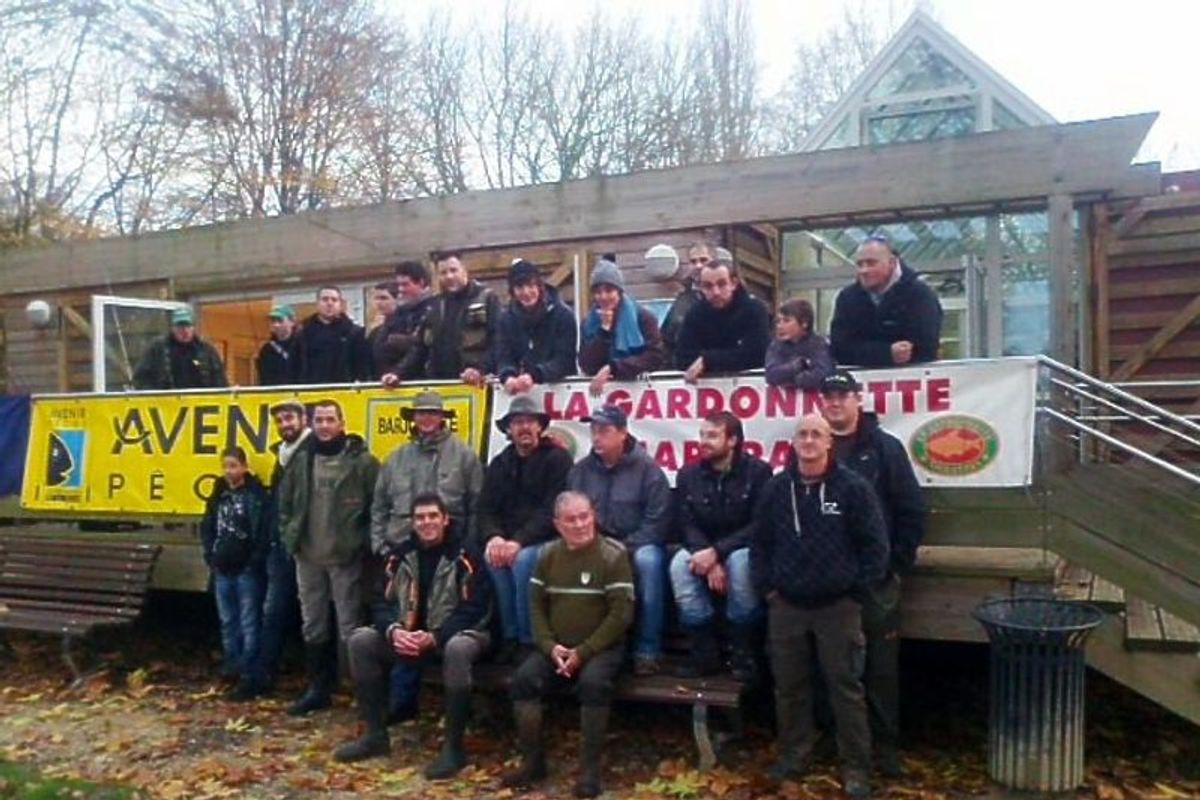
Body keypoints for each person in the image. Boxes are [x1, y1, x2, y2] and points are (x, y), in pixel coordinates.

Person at [752, 414, 889, 799]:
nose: (809, 440)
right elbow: (759, 545)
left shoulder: (853, 488)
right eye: (802, 434)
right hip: (786, 606)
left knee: (845, 688)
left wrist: (854, 592)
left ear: (830, 442)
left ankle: (857, 768)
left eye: (817, 434)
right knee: (789, 688)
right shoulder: (776, 489)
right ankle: (794, 757)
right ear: (792, 443)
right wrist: (769, 590)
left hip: (838, 607)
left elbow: (875, 547)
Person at [333, 493, 494, 780]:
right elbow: (378, 601)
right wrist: (393, 631)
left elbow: (476, 607)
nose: (427, 522)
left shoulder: (466, 555)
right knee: (360, 641)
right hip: (409, 636)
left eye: (433, 516)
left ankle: (453, 749)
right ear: (412, 522)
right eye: (420, 517)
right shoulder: (399, 555)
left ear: (445, 519)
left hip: (461, 635)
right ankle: (375, 735)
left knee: (457, 650)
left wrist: (436, 636)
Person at [820, 369, 926, 777]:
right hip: (828, 581)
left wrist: (895, 565)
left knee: (880, 668)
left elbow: (910, 510)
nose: (835, 402)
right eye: (828, 396)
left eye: (842, 395)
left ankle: (885, 748)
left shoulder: (885, 449)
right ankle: (838, 742)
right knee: (834, 667)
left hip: (875, 580)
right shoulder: (815, 448)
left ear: (857, 400)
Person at [502, 491, 634, 799]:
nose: (580, 524)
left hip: (602, 648)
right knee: (523, 681)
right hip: (557, 648)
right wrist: (549, 646)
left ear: (594, 516)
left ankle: (589, 772)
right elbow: (535, 606)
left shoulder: (613, 555)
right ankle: (533, 763)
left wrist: (584, 652)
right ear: (557, 524)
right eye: (571, 520)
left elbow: (621, 615)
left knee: (593, 684)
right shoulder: (547, 554)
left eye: (585, 516)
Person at [276, 399, 379, 716]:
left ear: (341, 422)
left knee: (349, 625)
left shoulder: (362, 462)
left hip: (343, 556)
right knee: (313, 622)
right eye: (318, 420)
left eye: (330, 419)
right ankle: (318, 688)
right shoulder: (301, 460)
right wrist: (289, 536)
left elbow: (378, 506)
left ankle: (358, 689)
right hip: (307, 555)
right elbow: (285, 503)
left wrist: (362, 544)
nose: (323, 425)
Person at [567, 404, 671, 675]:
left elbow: (657, 524)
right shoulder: (580, 472)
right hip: (593, 543)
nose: (596, 437)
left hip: (638, 545)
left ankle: (647, 650)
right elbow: (569, 512)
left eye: (604, 430)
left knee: (649, 562)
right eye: (593, 430)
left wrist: (624, 548)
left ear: (623, 433)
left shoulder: (649, 471)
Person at [670, 412, 772, 681]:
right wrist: (708, 556)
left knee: (741, 563)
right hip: (702, 548)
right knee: (679, 565)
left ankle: (744, 652)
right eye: (702, 434)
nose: (704, 441)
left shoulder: (759, 472)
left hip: (741, 548)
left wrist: (718, 552)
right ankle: (704, 650)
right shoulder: (688, 474)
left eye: (713, 435)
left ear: (733, 440)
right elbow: (685, 522)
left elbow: (760, 525)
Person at [478, 395, 573, 661]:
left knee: (521, 561)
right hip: (509, 539)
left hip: (548, 538)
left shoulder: (558, 459)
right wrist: (494, 537)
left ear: (540, 427)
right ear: (508, 429)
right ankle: (508, 636)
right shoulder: (499, 463)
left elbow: (551, 510)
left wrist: (517, 541)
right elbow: (486, 508)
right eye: (517, 422)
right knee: (492, 559)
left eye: (530, 421)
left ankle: (529, 640)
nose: (524, 428)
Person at [371, 391, 483, 557]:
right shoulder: (394, 459)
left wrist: (469, 547)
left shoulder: (465, 456)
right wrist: (379, 545)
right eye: (421, 413)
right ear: (413, 418)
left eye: (432, 413)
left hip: (450, 552)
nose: (426, 418)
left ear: (441, 417)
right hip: (399, 548)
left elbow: (476, 506)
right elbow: (379, 507)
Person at [200, 446, 270, 700]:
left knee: (249, 622)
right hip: (222, 567)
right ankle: (232, 665)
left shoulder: (256, 496)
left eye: (233, 466)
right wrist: (209, 554)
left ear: (244, 467)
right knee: (228, 621)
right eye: (225, 466)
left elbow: (263, 532)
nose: (229, 471)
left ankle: (251, 673)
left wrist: (254, 560)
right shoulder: (218, 494)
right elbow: (207, 525)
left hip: (246, 569)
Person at [255, 399, 309, 694]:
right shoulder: (283, 454)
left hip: (304, 546)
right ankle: (264, 676)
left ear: (303, 419)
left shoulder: (311, 451)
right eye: (280, 421)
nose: (285, 425)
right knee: (274, 610)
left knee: (312, 615)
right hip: (280, 545)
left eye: (289, 418)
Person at [830, 236, 943, 367]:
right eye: (860, 264)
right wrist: (886, 353)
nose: (864, 270)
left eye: (871, 263)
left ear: (892, 263)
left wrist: (867, 353)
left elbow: (927, 347)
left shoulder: (920, 294)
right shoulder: (848, 298)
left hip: (912, 382)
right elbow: (839, 349)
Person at [673, 254, 771, 382]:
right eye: (708, 286)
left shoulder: (755, 310)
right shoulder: (695, 313)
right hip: (705, 395)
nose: (716, 292)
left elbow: (757, 355)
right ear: (701, 288)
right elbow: (683, 359)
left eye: (721, 284)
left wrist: (707, 360)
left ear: (734, 283)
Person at [578, 259, 665, 396]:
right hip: (602, 396)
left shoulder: (644, 318)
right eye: (598, 292)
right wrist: (604, 330)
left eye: (609, 290)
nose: (603, 297)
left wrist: (613, 368)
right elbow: (587, 365)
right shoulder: (588, 323)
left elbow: (655, 357)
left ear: (619, 291)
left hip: (641, 395)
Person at [495, 259, 578, 395]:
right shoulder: (505, 319)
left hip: (559, 394)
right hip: (520, 395)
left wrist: (536, 375)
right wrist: (507, 376)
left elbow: (565, 360)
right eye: (519, 287)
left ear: (539, 286)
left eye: (530, 285)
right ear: (512, 291)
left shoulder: (563, 315)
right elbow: (503, 356)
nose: (526, 292)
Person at [421, 251, 502, 386]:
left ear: (464, 270)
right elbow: (419, 346)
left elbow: (498, 340)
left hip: (477, 384)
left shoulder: (487, 298)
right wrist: (398, 373)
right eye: (443, 272)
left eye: (454, 270)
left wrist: (480, 369)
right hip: (440, 384)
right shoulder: (434, 305)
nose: (449, 276)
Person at [133, 307, 227, 390]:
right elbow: (141, 378)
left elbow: (219, 379)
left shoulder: (207, 351)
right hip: (166, 405)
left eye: (188, 326)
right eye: (180, 326)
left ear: (193, 328)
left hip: (201, 405)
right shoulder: (157, 349)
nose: (184, 331)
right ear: (173, 328)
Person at [376, 261, 435, 385]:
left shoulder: (436, 308)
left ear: (421, 283)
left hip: (424, 381)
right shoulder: (398, 312)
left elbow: (426, 347)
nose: (400, 290)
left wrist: (405, 342)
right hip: (395, 381)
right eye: (399, 285)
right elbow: (382, 345)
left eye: (405, 284)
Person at [297, 286, 371, 384]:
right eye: (325, 299)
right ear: (317, 304)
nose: (329, 303)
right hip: (310, 391)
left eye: (334, 300)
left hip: (344, 391)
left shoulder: (354, 333)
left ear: (340, 304)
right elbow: (295, 365)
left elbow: (362, 367)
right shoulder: (303, 332)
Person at [765, 298, 835, 389]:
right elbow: (771, 375)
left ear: (804, 323)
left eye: (786, 321)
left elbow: (824, 374)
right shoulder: (776, 345)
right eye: (778, 321)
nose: (780, 326)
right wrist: (796, 366)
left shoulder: (818, 344)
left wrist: (794, 380)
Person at [660, 241, 711, 362]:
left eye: (703, 260)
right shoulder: (681, 301)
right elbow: (666, 341)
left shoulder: (730, 299)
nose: (698, 266)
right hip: (685, 373)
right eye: (693, 261)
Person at [256, 305, 303, 386]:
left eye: (280, 321)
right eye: (273, 321)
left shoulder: (302, 345)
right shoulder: (266, 349)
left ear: (292, 322)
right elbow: (263, 377)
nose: (276, 325)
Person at [365, 281, 399, 376]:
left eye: (384, 298)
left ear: (396, 299)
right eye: (376, 298)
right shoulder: (375, 332)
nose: (379, 303)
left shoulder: (405, 325)